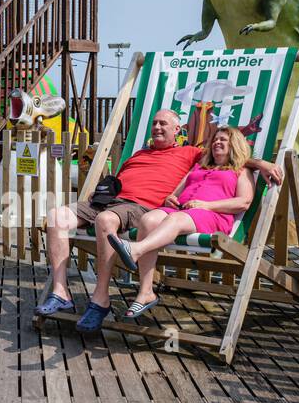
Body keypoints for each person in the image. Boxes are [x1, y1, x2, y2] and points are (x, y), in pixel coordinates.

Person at [37, 107, 281, 331]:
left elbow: (228, 155)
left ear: (178, 130)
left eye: (163, 123)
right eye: (154, 123)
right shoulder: (139, 154)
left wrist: (262, 163)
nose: (157, 127)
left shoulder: (190, 154)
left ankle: (100, 298)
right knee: (56, 216)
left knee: (105, 221)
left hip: (138, 208)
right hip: (110, 202)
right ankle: (60, 292)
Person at [106, 126, 256, 318]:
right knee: (148, 219)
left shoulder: (242, 170)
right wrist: (171, 198)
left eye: (223, 140)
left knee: (174, 219)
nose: (217, 142)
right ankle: (145, 293)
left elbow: (244, 202)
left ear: (234, 144)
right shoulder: (200, 166)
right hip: (181, 210)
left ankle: (135, 249)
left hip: (213, 215)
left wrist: (207, 206)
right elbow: (176, 191)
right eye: (216, 139)